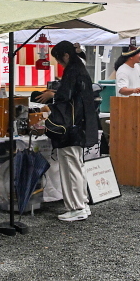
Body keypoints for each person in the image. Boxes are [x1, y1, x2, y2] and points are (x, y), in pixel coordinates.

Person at [36, 41, 99, 222]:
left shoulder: (72, 71)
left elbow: (65, 96)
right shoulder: (81, 69)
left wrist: (52, 95)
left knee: (71, 168)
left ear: (65, 56)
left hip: (69, 129)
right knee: (77, 167)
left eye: (58, 59)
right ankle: (82, 204)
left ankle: (76, 208)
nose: (59, 63)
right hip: (80, 127)